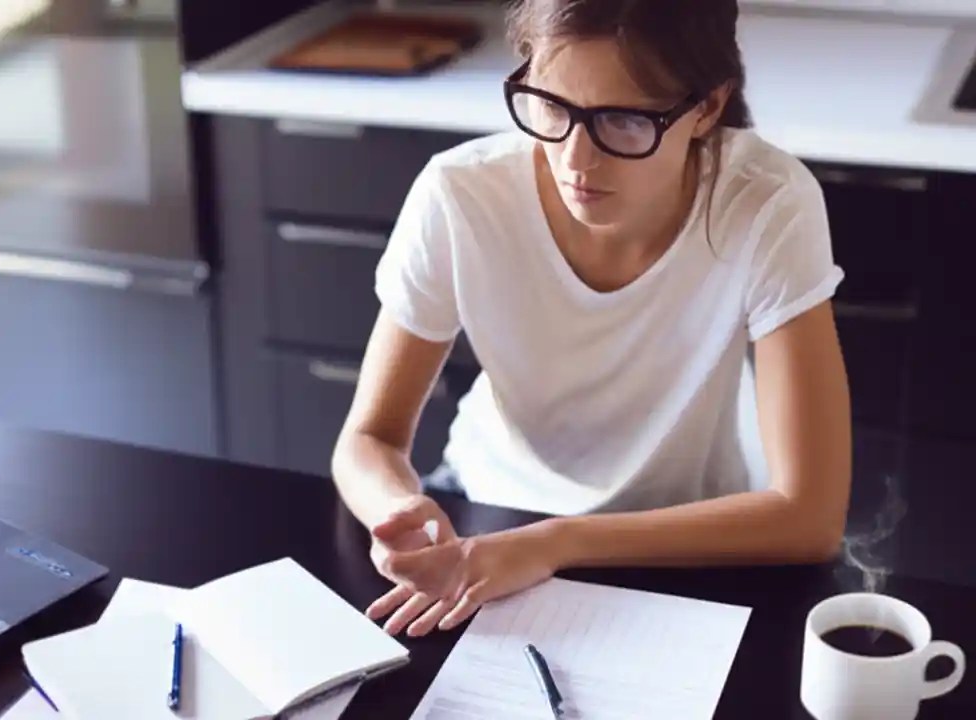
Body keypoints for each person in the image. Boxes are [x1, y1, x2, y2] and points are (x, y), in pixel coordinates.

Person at [331, 0, 852, 639]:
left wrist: (556, 542)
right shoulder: (460, 195)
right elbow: (369, 440)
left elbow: (809, 517)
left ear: (707, 108)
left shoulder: (765, 201)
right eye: (551, 106)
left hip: (688, 535)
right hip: (486, 510)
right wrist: (398, 509)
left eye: (623, 121)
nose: (576, 160)